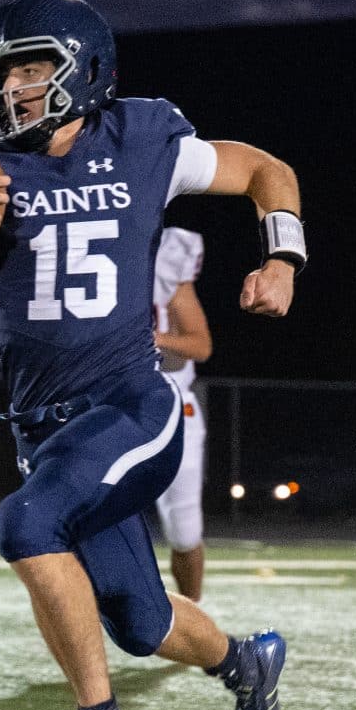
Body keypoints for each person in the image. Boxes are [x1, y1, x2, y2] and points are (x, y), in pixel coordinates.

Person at [0, 0, 303, 710]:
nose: (14, 89)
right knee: (141, 624)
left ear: (86, 68)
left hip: (135, 408)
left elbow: (264, 169)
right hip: (49, 432)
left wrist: (281, 257)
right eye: (4, 74)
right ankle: (245, 662)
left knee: (24, 524)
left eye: (32, 69)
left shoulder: (140, 136)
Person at [151, 226, 213, 602]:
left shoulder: (165, 253)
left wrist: (150, 339)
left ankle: (193, 617)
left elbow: (199, 343)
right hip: (103, 404)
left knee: (185, 529)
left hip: (169, 400)